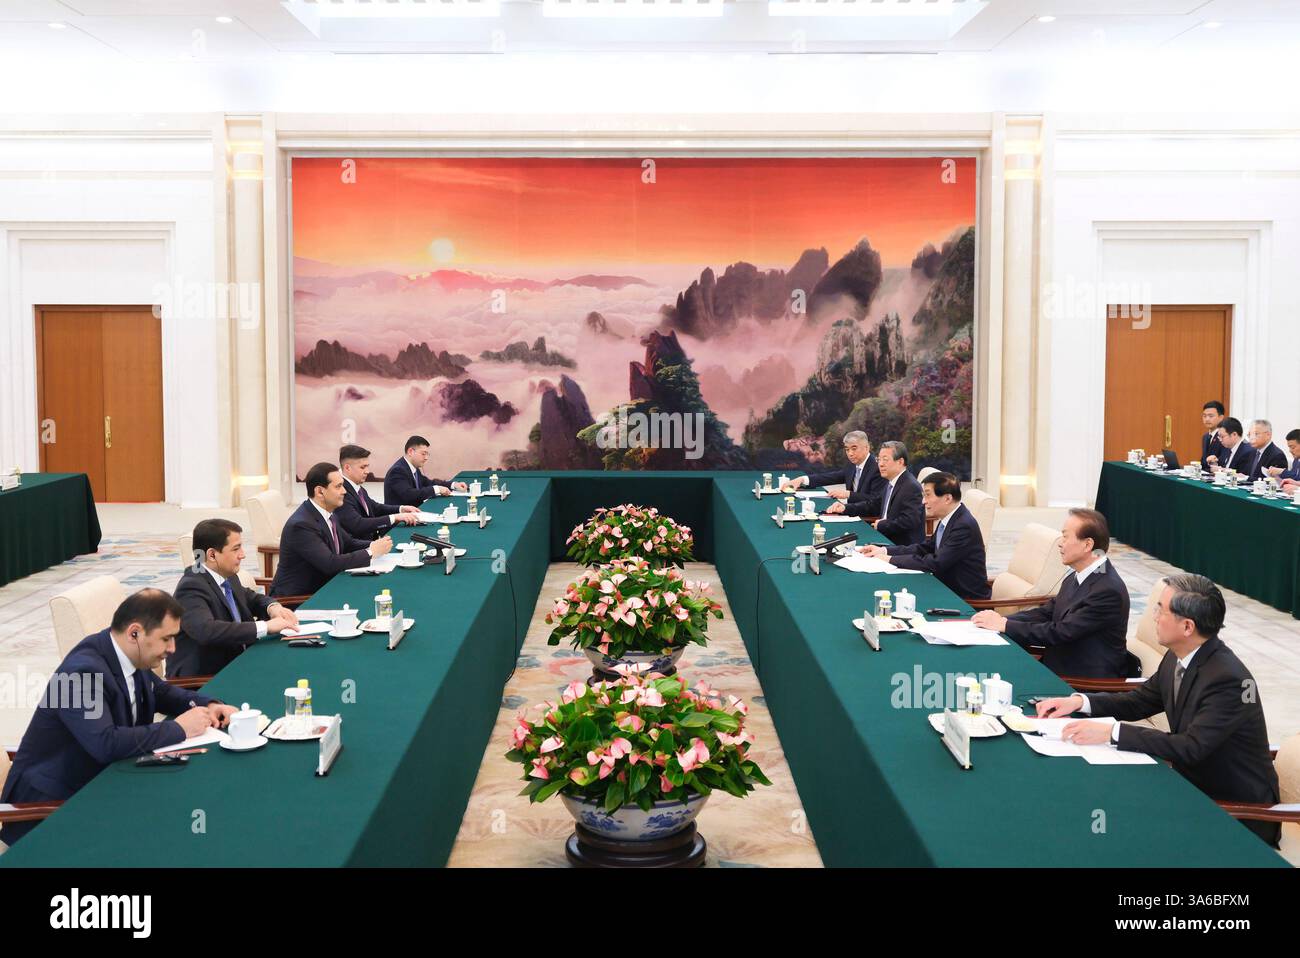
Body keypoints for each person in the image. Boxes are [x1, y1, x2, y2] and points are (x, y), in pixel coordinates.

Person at [1036, 574, 1281, 848]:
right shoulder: (1179, 655)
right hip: (1188, 784)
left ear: (1187, 626)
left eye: (1161, 609)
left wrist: (1111, 732)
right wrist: (1081, 702)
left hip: (1233, 811)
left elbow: (1191, 747)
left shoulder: (1228, 680)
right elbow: (1139, 701)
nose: (1154, 616)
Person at [0, 590, 235, 846]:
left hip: (102, 782)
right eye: (166, 639)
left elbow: (161, 691)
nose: (172, 648)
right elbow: (105, 743)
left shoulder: (126, 654)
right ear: (135, 632)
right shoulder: (82, 672)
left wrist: (208, 704)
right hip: (50, 811)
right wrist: (179, 728)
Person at [972, 508, 1129, 679]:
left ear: (1087, 544)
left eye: (1066, 536)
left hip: (1081, 680)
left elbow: (1061, 632)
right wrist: (1003, 620)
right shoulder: (1077, 575)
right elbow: (1046, 612)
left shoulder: (1107, 590)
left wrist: (1005, 625)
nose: (1060, 543)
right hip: (1056, 665)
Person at [170, 519, 299, 679]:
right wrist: (265, 626)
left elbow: (250, 598)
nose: (243, 555)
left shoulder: (225, 575)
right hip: (207, 679)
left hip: (240, 661)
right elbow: (207, 630)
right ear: (212, 555)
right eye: (236, 549)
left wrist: (273, 607)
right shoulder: (190, 587)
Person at [857, 471, 989, 599]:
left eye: (928, 495)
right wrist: (884, 550)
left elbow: (935, 563)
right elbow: (924, 548)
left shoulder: (963, 526)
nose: (923, 502)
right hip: (944, 586)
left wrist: (890, 560)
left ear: (947, 498)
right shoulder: (950, 518)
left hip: (962, 598)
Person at [271, 462, 393, 597]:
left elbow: (348, 543)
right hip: (298, 600)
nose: (345, 491)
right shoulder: (301, 525)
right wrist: (370, 552)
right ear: (320, 491)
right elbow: (330, 563)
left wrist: (377, 545)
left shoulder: (328, 513)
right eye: (338, 486)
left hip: (324, 587)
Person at [828, 441, 925, 546]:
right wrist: (845, 508)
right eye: (879, 459)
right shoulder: (891, 481)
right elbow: (873, 505)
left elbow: (910, 521)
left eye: (885, 460)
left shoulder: (911, 486)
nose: (881, 464)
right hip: (883, 535)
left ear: (900, 462)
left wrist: (883, 524)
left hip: (899, 545)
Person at [780, 430, 884, 514]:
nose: (850, 453)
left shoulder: (877, 468)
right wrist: (802, 479)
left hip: (866, 517)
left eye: (854, 449)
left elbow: (875, 501)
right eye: (847, 449)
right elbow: (832, 477)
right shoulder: (852, 465)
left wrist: (848, 494)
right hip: (850, 513)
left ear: (867, 448)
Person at [336, 444, 422, 539]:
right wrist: (395, 517)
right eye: (362, 467)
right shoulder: (341, 492)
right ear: (347, 468)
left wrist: (401, 509)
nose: (367, 471)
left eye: (367, 466)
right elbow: (358, 524)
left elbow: (375, 508)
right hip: (359, 548)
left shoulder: (356, 486)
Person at [383, 435, 467, 507]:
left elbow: (429, 483)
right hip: (400, 521)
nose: (426, 458)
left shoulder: (414, 468)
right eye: (423, 454)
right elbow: (409, 495)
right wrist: (436, 489)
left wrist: (453, 485)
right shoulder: (398, 470)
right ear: (410, 452)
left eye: (427, 454)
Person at [1200, 401, 1226, 465]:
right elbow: (1204, 461)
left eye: (1211, 416)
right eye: (1204, 416)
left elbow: (1223, 461)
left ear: (1221, 418)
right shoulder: (1205, 437)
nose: (1207, 419)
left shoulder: (1224, 437)